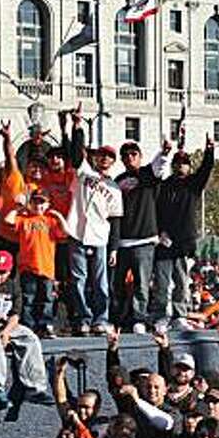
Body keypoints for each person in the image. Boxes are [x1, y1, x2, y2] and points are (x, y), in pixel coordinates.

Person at [0, 249, 50, 408]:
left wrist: (6, 331)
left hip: (4, 325)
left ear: (9, 272)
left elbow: (15, 314)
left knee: (30, 338)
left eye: (2, 272)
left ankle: (35, 388)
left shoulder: (13, 286)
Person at [151, 137, 214, 331]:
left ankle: (179, 315)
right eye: (177, 163)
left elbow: (206, 169)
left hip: (184, 243)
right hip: (164, 241)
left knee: (181, 281)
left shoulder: (193, 185)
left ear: (189, 167)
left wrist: (209, 151)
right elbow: (155, 210)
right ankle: (161, 316)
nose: (181, 166)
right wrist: (159, 232)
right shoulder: (164, 186)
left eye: (184, 163)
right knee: (162, 282)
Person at [64, 141, 123, 335]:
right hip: (77, 232)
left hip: (100, 236)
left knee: (101, 281)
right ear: (95, 158)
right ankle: (84, 317)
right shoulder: (84, 173)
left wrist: (114, 248)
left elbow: (115, 220)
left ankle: (101, 319)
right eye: (101, 155)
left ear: (113, 161)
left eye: (109, 156)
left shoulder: (114, 188)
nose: (105, 158)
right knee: (78, 279)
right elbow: (76, 154)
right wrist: (77, 129)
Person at [113, 139, 171, 332]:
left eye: (133, 154)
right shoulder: (117, 181)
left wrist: (164, 152)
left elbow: (159, 165)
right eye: (125, 155)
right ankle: (118, 319)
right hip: (121, 241)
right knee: (117, 284)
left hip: (144, 240)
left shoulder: (148, 175)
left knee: (141, 284)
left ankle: (139, 319)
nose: (130, 158)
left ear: (140, 157)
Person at [7, 191, 68, 336]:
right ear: (30, 204)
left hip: (47, 268)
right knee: (28, 297)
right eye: (35, 202)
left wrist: (58, 216)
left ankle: (45, 325)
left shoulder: (50, 221)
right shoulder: (24, 220)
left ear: (47, 205)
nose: (38, 205)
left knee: (47, 298)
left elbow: (66, 232)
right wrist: (19, 209)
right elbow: (8, 220)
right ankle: (28, 326)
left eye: (42, 202)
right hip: (27, 267)